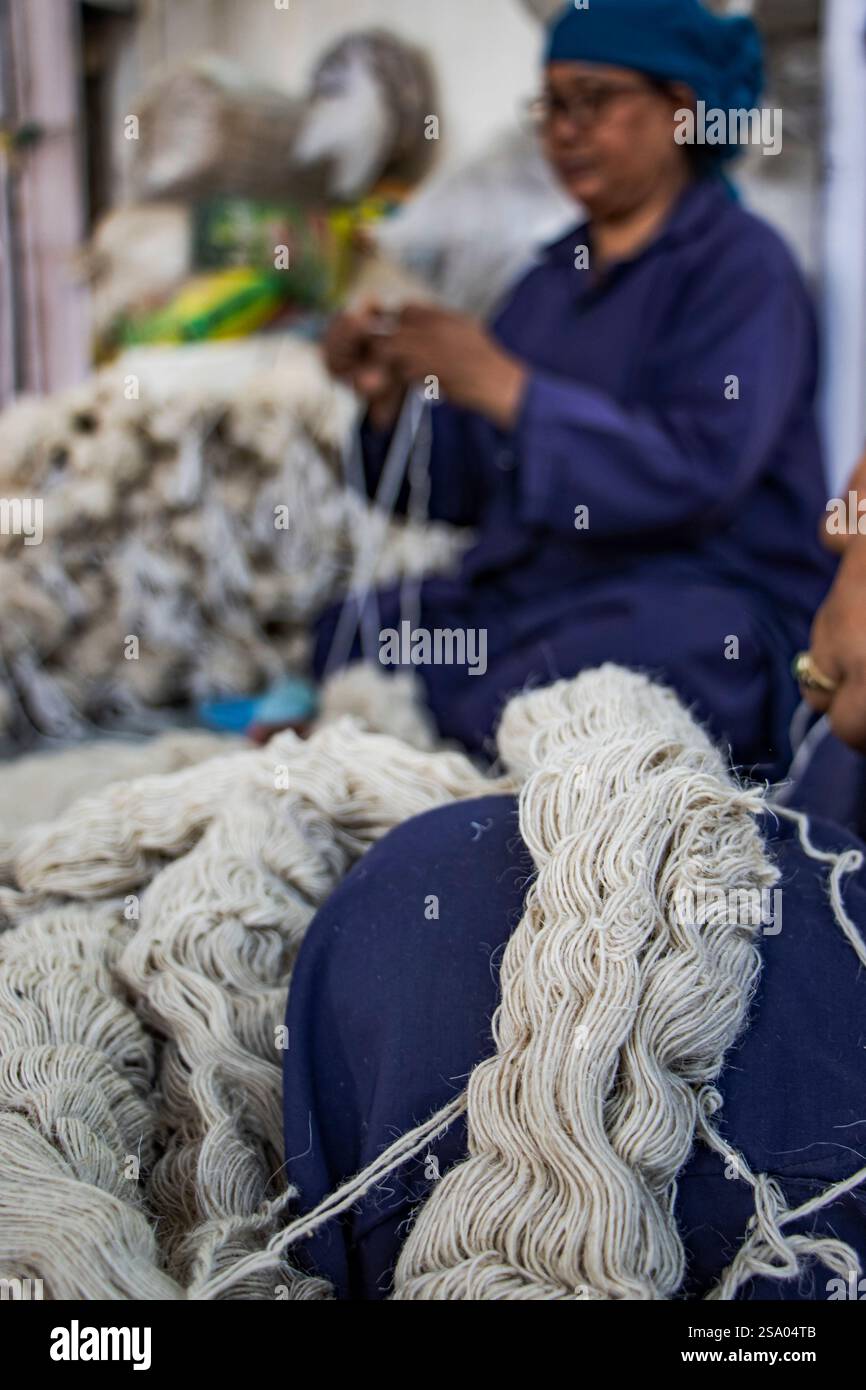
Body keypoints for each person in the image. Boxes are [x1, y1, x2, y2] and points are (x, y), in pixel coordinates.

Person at [318, 0, 833, 779]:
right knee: (358, 629)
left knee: (645, 659)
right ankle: (456, 737)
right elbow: (460, 485)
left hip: (695, 593)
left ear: (681, 113)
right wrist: (389, 396)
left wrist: (504, 385)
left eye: (595, 99)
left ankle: (451, 747)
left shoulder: (744, 269)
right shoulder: (549, 280)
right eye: (553, 103)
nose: (566, 128)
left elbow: (699, 470)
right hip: (550, 591)